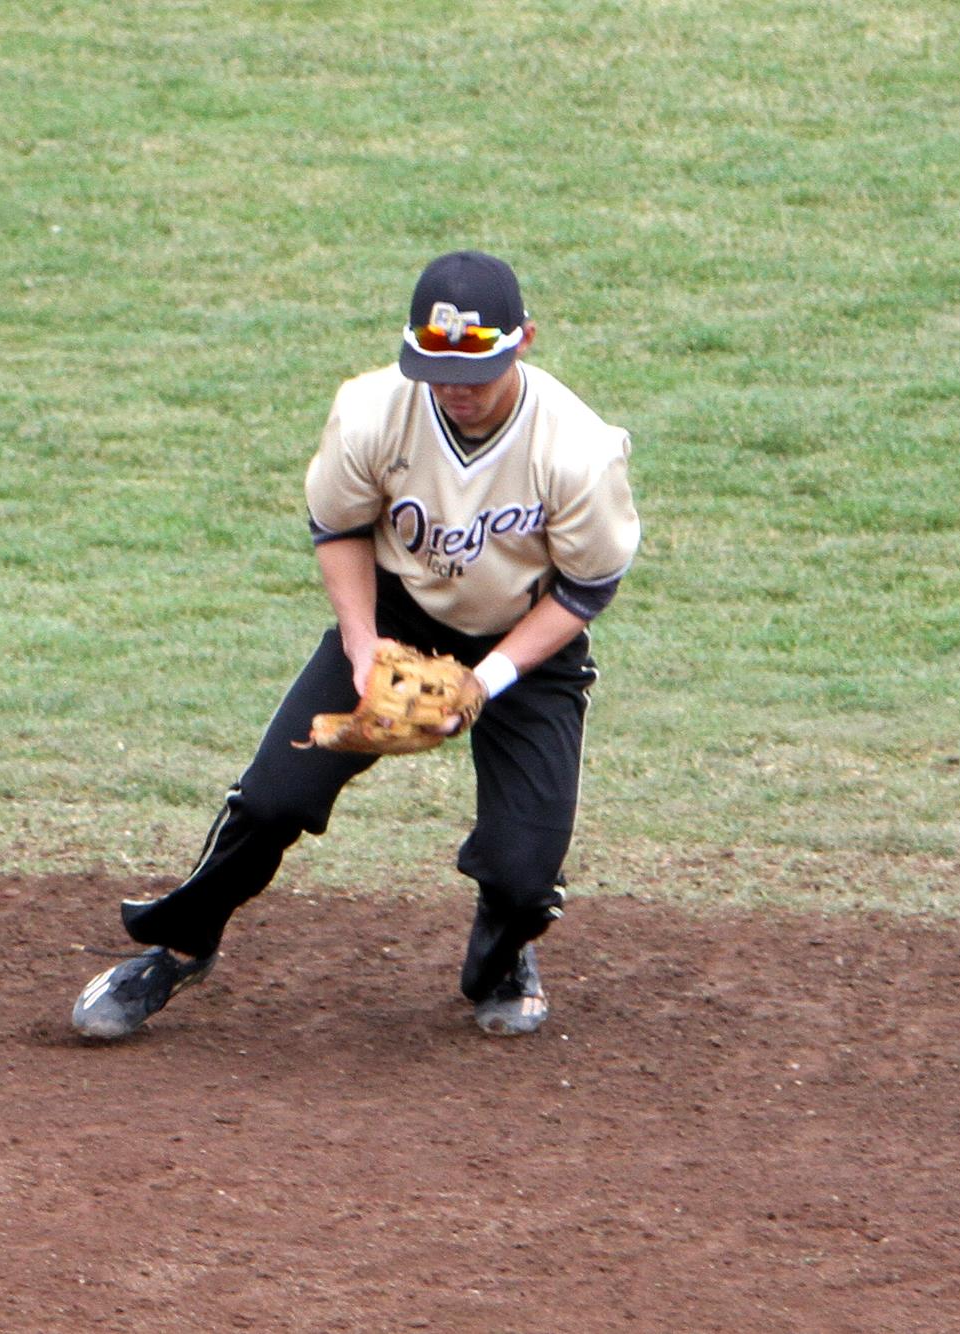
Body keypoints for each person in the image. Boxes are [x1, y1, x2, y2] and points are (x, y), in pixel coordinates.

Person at [71, 250, 641, 1040]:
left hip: (525, 644)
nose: (457, 389)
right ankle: (178, 946)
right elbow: (338, 525)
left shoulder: (577, 449)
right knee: (273, 798)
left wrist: (487, 679)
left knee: (523, 875)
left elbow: (585, 589)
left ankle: (501, 959)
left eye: (476, 368)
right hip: (398, 614)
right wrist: (363, 639)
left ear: (526, 341)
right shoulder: (374, 411)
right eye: (437, 368)